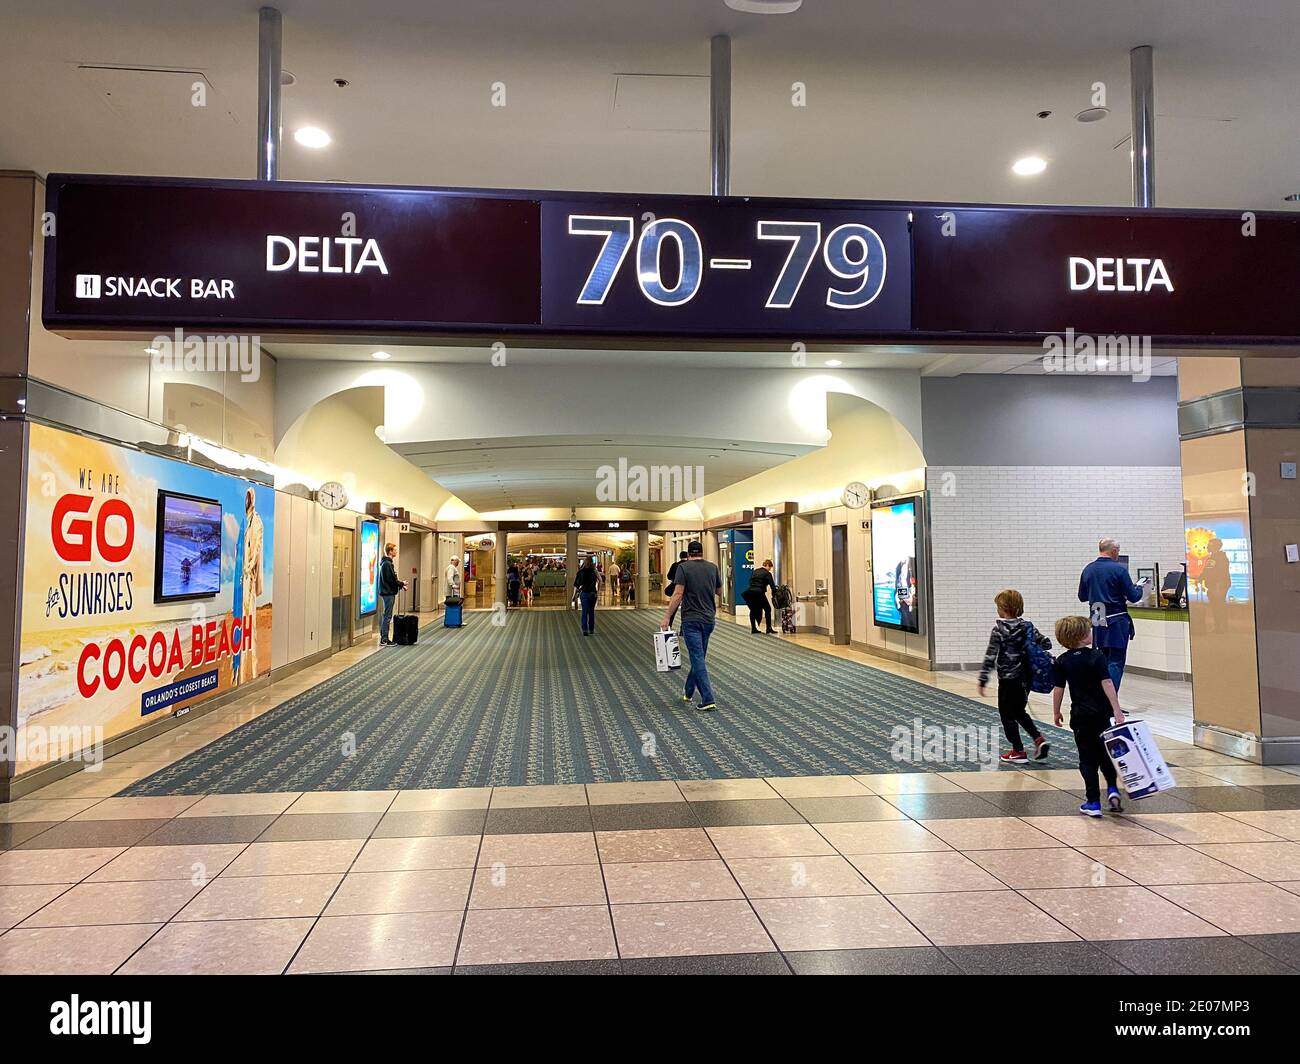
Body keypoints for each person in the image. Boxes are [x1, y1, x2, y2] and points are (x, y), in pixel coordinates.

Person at [1052, 615, 1126, 817]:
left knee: (1087, 759)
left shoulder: (1062, 661)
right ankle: (1112, 788)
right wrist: (1117, 709)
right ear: (1083, 635)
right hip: (1101, 715)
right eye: (1089, 630)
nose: (1092, 633)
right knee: (1105, 754)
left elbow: (1058, 689)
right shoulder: (1097, 656)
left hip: (1080, 716)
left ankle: (1093, 801)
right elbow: (1107, 683)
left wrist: (1056, 711)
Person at [977, 589, 1051, 764]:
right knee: (1019, 711)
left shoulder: (999, 630)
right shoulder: (1028, 627)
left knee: (1007, 714)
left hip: (1008, 679)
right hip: (1025, 678)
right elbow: (1046, 643)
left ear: (1003, 608)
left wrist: (983, 679)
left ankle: (1018, 750)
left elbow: (990, 655)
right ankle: (1038, 739)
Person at [661, 540, 722, 712]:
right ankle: (688, 691)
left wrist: (667, 617)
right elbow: (719, 591)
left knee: (697, 658)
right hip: (709, 619)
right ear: (702, 553)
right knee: (699, 657)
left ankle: (708, 698)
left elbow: (678, 593)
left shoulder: (684, 568)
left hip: (691, 620)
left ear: (688, 554)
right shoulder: (712, 567)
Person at [1077, 537, 1145, 690]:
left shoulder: (1088, 569)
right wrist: (1139, 588)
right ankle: (1110, 702)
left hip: (1097, 617)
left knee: (1100, 659)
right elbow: (1134, 597)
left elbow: (1082, 596)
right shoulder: (1119, 569)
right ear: (1114, 551)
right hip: (1116, 619)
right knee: (1115, 661)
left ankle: (1099, 699)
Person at [378, 542, 406, 647]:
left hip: (388, 592)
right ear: (390, 551)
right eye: (395, 550)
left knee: (387, 615)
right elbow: (391, 580)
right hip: (388, 593)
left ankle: (384, 637)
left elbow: (392, 579)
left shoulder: (387, 563)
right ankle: (384, 639)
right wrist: (401, 583)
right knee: (387, 616)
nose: (396, 551)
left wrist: (401, 584)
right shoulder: (387, 564)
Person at [743, 558, 777, 634]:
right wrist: (774, 596)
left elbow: (750, 581)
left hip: (750, 592)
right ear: (767, 565)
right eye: (770, 567)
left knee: (753, 610)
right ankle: (768, 628)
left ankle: (753, 628)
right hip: (759, 593)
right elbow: (772, 586)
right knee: (767, 609)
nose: (770, 569)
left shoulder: (755, 571)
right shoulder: (767, 573)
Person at [572, 555, 599, 635]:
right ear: (592, 563)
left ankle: (585, 629)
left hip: (584, 593)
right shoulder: (594, 571)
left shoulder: (580, 572)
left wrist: (574, 596)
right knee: (591, 612)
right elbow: (600, 580)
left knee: (584, 612)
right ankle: (591, 629)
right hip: (593, 593)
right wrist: (598, 590)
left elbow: (576, 585)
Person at [894, 554, 918, 629]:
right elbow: (896, 588)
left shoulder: (916, 562)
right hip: (904, 616)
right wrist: (897, 598)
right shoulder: (898, 566)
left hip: (916, 619)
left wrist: (914, 601)